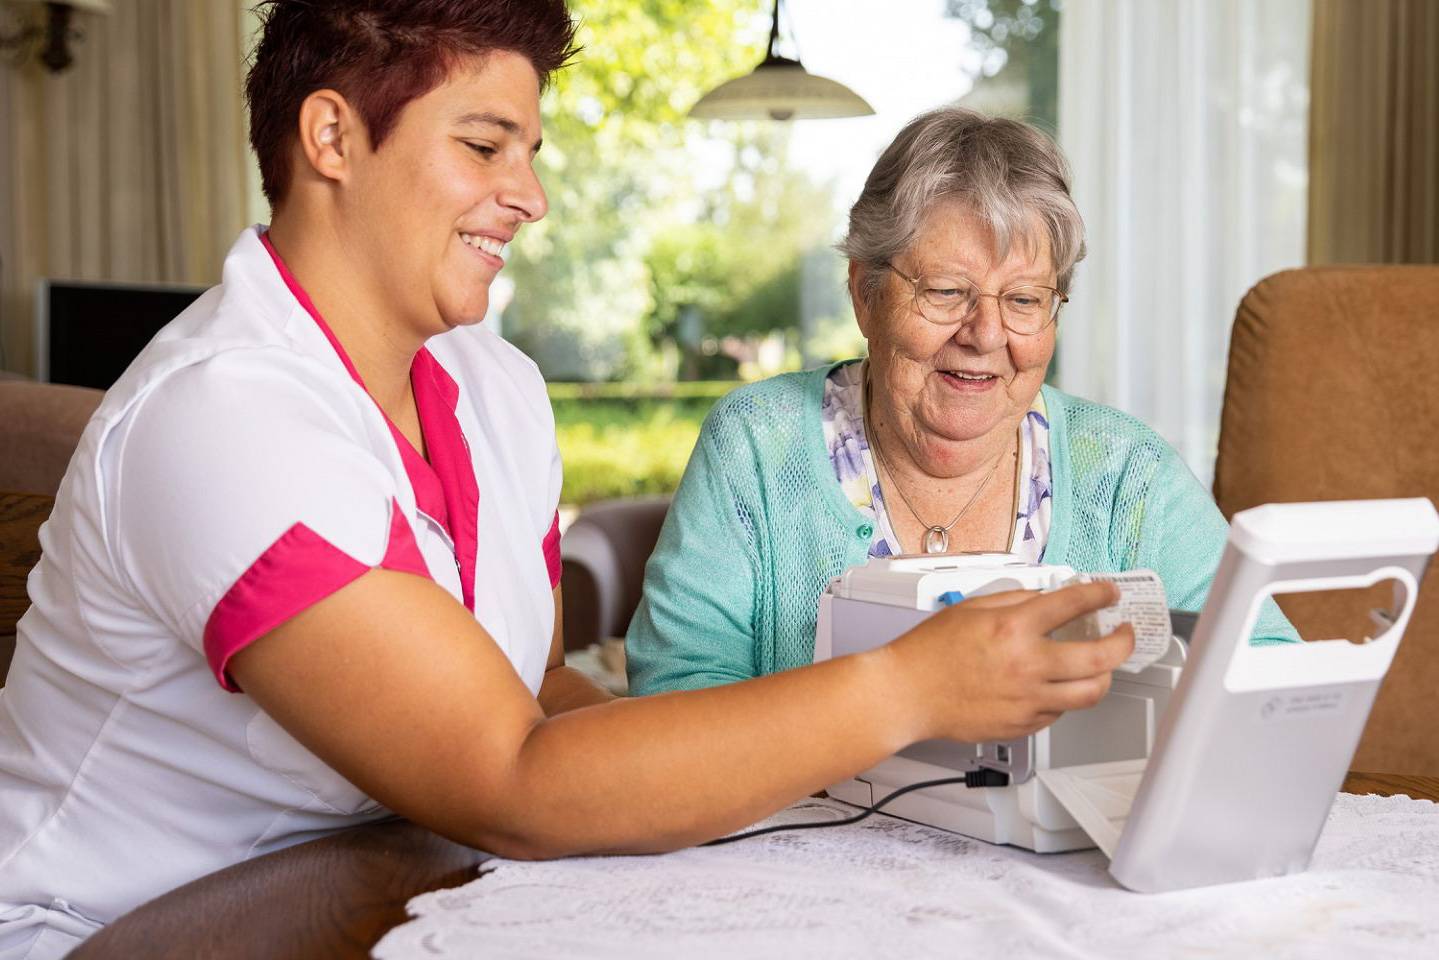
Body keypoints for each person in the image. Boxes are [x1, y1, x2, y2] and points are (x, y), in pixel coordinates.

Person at [0, 7, 1133, 957]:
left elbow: (528, 685)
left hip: (386, 897)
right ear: (332, 136)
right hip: (121, 930)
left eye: (530, 152)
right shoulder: (218, 417)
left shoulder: (494, 390)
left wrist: (725, 792)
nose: (530, 195)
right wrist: (910, 689)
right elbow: (512, 780)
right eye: (486, 146)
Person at [626, 107, 1294, 696]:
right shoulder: (758, 445)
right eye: (946, 291)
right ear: (865, 293)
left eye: (1024, 300)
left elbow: (1265, 675)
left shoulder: (1126, 473)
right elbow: (675, 700)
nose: (984, 335)